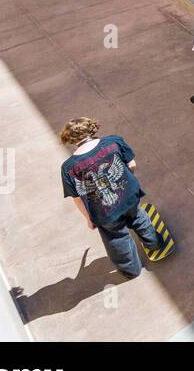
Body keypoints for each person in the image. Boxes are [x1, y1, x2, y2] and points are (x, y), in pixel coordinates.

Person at [59, 117, 175, 277]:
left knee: (116, 238)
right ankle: (155, 244)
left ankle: (131, 270)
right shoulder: (114, 142)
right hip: (128, 198)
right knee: (140, 220)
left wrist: (88, 218)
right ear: (91, 129)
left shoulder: (68, 168)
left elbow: (77, 198)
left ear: (69, 138)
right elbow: (132, 165)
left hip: (104, 212)